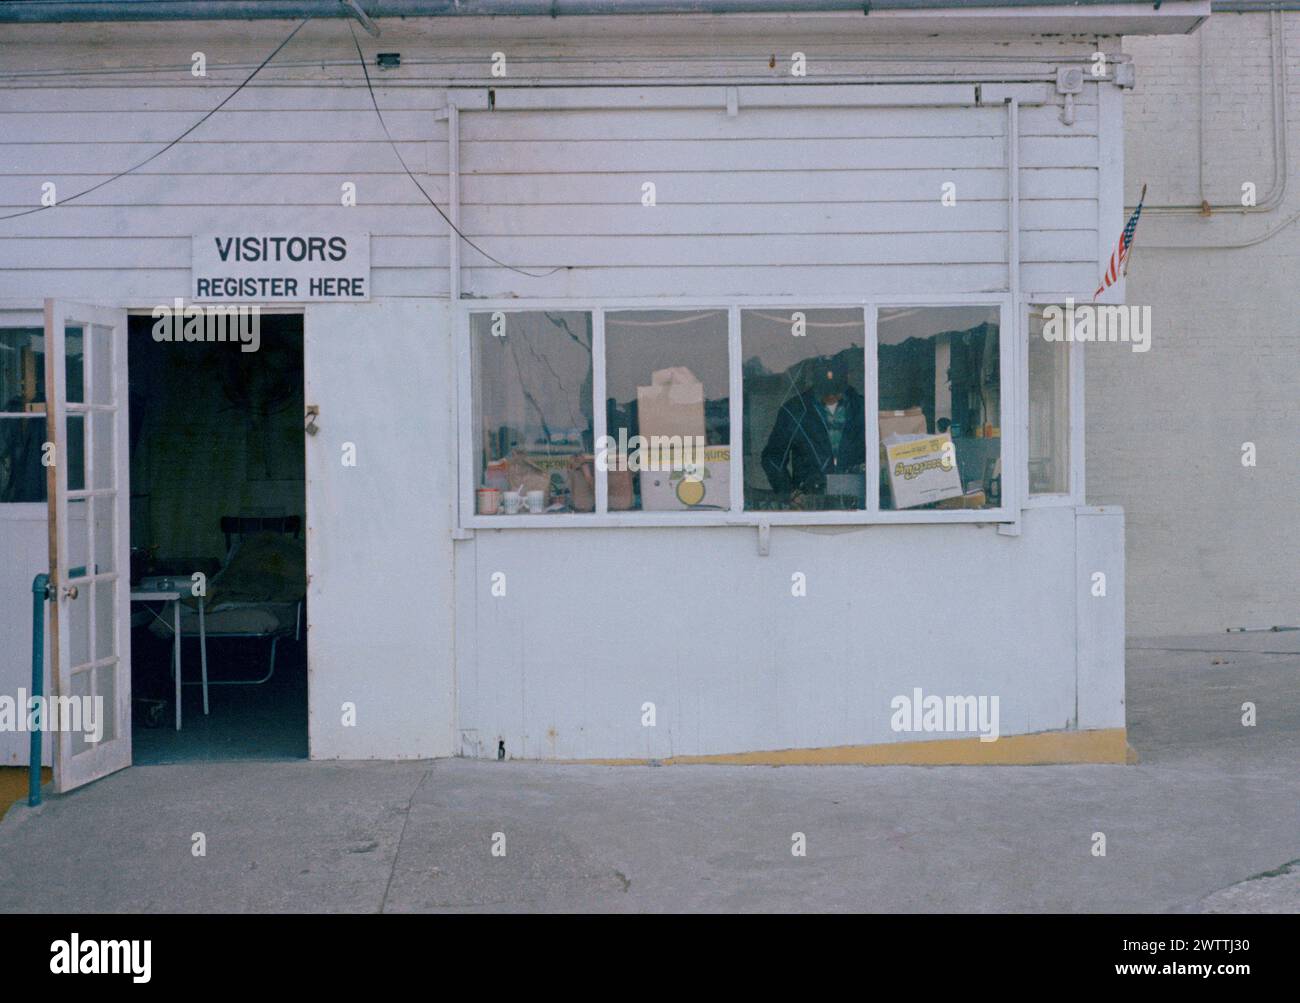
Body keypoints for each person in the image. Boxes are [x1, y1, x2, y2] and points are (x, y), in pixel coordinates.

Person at [760, 356, 865, 508]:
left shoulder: (863, 407)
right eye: (825, 390)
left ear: (848, 378)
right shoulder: (794, 411)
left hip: (858, 502)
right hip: (810, 502)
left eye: (836, 390)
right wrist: (789, 491)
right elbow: (772, 457)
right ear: (815, 381)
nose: (830, 396)